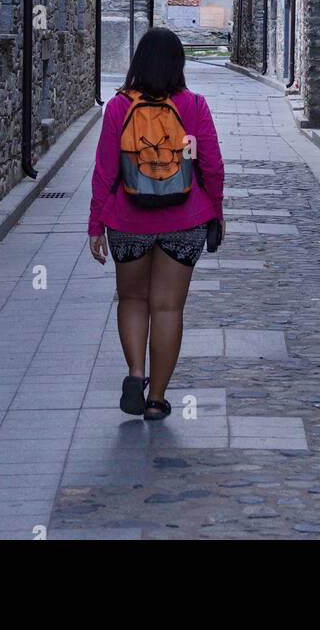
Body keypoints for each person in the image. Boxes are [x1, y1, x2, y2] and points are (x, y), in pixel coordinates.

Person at [88, 29, 225, 420]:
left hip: (128, 220)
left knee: (132, 299)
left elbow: (104, 171)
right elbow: (211, 165)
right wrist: (216, 210)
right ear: (178, 64)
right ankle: (157, 399)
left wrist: (96, 224)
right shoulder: (194, 106)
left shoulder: (117, 107)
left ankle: (135, 373)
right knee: (168, 308)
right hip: (185, 220)